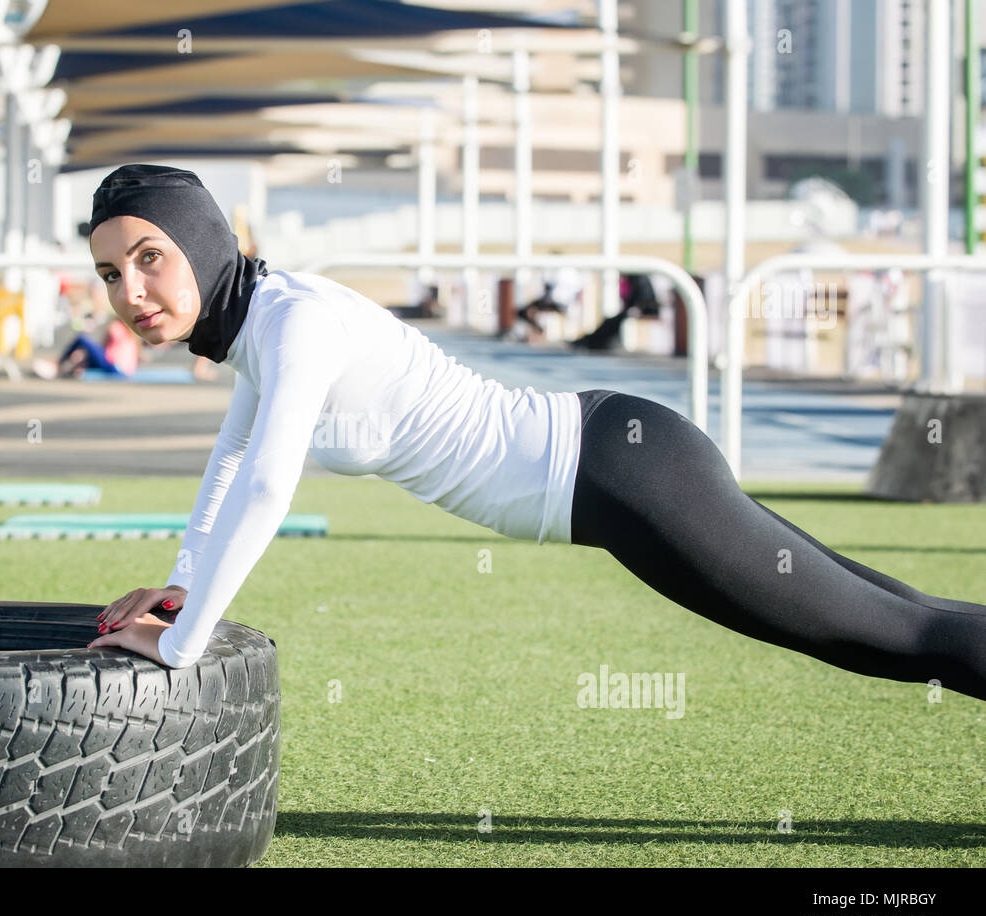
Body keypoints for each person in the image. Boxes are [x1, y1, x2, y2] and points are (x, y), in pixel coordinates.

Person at [85, 164, 986, 703]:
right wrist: (177, 587)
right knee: (902, 618)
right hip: (616, 464)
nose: (131, 294)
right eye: (110, 273)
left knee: (879, 636)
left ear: (203, 242)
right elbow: (231, 463)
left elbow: (269, 487)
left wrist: (183, 641)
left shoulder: (294, 322)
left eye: (150, 257)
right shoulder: (263, 325)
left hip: (622, 473)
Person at [570, 272, 662, 351]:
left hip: (645, 309)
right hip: (638, 309)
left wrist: (636, 309)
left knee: (613, 321)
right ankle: (591, 341)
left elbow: (644, 299)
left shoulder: (638, 279)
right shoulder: (635, 279)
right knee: (611, 321)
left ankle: (591, 341)